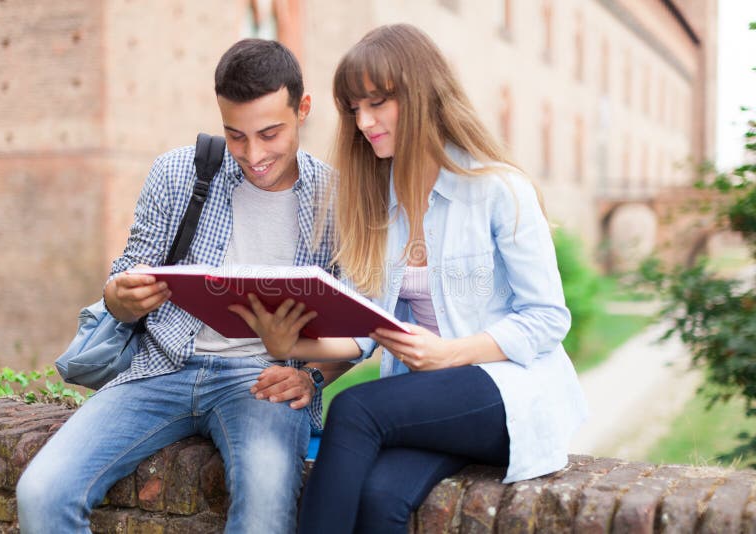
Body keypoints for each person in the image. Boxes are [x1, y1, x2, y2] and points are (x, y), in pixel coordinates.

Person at [229, 24, 588, 533]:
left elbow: (549, 319)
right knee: (381, 500)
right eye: (354, 108)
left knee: (354, 409)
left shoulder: (498, 189)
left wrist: (450, 354)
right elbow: (367, 327)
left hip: (510, 392)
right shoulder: (382, 203)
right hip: (424, 403)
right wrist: (297, 346)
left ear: (421, 95)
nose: (364, 121)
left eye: (377, 102)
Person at [15, 38, 351, 534]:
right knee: (41, 493)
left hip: (265, 381)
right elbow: (124, 276)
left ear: (303, 109)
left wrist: (313, 375)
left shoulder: (336, 198)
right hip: (161, 367)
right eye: (236, 135)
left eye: (270, 133)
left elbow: (361, 324)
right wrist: (119, 298)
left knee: (263, 516)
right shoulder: (180, 172)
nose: (253, 154)